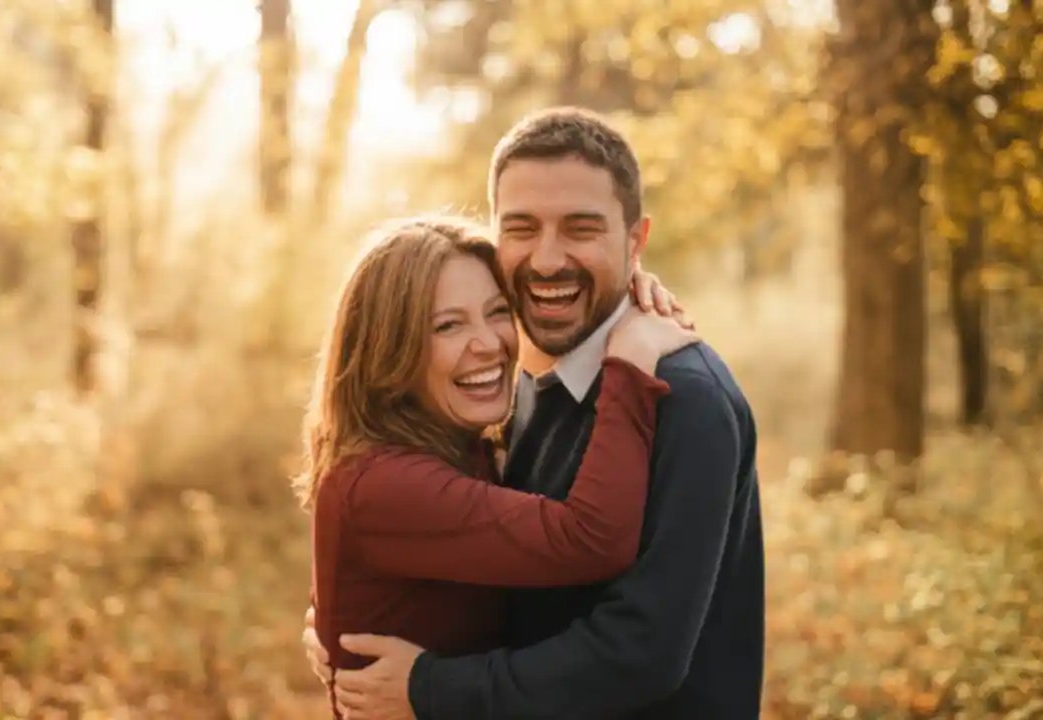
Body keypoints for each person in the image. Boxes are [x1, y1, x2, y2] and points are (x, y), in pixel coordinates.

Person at [305, 107, 766, 719]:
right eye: (521, 228)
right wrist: (349, 617)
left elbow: (640, 651)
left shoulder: (685, 401)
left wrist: (432, 687)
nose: (547, 261)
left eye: (581, 229)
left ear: (635, 242)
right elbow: (482, 563)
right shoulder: (522, 394)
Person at [297, 215, 699, 719]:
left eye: (497, 312)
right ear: (386, 347)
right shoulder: (384, 484)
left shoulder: (459, 444)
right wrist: (632, 359)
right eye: (447, 325)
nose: (488, 343)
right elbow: (591, 538)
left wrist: (621, 295)